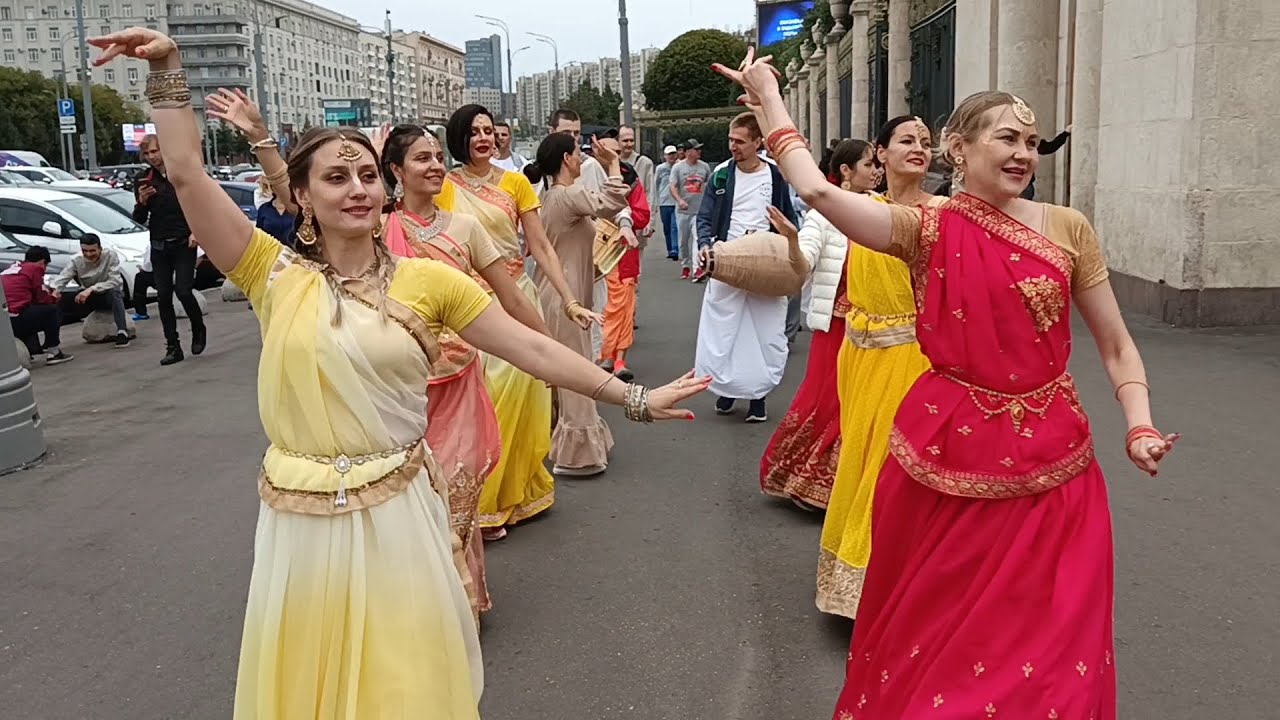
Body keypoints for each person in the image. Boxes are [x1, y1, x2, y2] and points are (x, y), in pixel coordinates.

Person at [88, 26, 708, 719]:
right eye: (334, 177)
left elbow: (531, 348)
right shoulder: (271, 272)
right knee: (311, 681)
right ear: (302, 194)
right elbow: (186, 174)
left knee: (401, 682)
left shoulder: (427, 282)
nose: (356, 188)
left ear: (383, 190)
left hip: (399, 512)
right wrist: (169, 73)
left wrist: (633, 396)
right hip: (301, 523)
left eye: (365, 176)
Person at [718, 49, 1177, 720]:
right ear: (959, 148)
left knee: (1058, 633)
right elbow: (818, 192)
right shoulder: (925, 227)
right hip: (950, 453)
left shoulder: (1067, 228)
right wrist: (767, 97)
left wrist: (1137, 422)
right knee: (945, 632)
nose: (1024, 153)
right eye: (1007, 138)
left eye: (1031, 141)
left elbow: (1115, 344)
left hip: (1059, 460)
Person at [381, 123, 551, 620]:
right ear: (395, 170)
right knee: (407, 497)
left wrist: (550, 349)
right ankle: (415, 605)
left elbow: (512, 296)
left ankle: (458, 602)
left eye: (437, 156)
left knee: (455, 493)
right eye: (420, 158)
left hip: (458, 378)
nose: (434, 165)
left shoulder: (464, 228)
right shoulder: (376, 229)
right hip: (400, 385)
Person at [438, 103, 600, 539]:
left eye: (489, 130)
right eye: (473, 132)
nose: (483, 138)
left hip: (517, 298)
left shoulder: (515, 184)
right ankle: (480, 502)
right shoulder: (445, 186)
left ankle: (515, 494)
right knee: (488, 400)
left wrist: (567, 300)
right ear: (459, 138)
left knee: (523, 394)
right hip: (468, 304)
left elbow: (542, 247)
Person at [809, 117, 943, 618]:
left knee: (896, 470)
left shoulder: (946, 214)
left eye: (926, 142)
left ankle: (891, 586)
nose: (919, 148)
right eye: (907, 140)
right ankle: (854, 578)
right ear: (880, 154)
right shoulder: (862, 212)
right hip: (860, 356)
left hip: (917, 359)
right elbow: (811, 192)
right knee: (861, 458)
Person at [760, 139, 877, 511]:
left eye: (877, 164)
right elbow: (804, 263)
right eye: (869, 164)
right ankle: (810, 480)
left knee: (866, 404)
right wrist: (792, 242)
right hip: (838, 326)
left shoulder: (881, 210)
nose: (876, 171)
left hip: (876, 328)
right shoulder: (823, 215)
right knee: (828, 402)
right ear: (846, 171)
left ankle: (855, 485)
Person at [528, 132, 630, 476]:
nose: (581, 159)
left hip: (564, 293)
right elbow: (612, 202)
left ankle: (565, 444)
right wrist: (613, 163)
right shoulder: (567, 195)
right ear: (566, 160)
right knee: (575, 374)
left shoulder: (554, 197)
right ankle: (578, 455)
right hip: (564, 298)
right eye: (577, 154)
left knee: (567, 372)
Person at [692, 113, 797, 423]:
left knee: (765, 330)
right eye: (730, 140)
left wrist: (791, 251)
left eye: (740, 141)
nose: (733, 146)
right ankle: (727, 388)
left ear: (757, 143)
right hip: (728, 261)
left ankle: (757, 397)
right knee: (727, 330)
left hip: (766, 261)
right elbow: (705, 217)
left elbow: (788, 217)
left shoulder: (776, 175)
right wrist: (706, 246)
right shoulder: (721, 175)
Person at [132, 132, 206, 365]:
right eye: (147, 153)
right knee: (163, 296)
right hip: (159, 244)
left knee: (183, 291)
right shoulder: (144, 179)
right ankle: (173, 346)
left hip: (184, 241)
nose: (152, 157)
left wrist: (196, 231)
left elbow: (197, 204)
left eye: (155, 151)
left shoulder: (179, 175)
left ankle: (198, 327)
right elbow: (140, 218)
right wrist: (141, 203)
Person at [598, 139, 651, 382]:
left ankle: (619, 360)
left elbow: (641, 215)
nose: (615, 157)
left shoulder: (630, 178)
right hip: (594, 256)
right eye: (610, 152)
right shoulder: (585, 173)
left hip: (623, 254)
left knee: (624, 310)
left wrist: (623, 221)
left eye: (618, 153)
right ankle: (602, 356)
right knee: (601, 309)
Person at [51, 234, 131, 348]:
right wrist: (55, 290)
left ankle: (122, 331)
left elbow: (115, 281)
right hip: (89, 296)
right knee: (58, 302)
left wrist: (92, 288)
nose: (89, 254)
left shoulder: (111, 256)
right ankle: (53, 345)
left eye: (92, 251)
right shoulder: (76, 260)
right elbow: (63, 277)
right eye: (85, 251)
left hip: (108, 294)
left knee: (114, 292)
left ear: (100, 248)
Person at [1, 245, 74, 365]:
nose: (44, 270)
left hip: (5, 318)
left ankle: (31, 349)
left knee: (30, 310)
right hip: (16, 317)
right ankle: (54, 351)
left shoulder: (10, 269)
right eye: (46, 265)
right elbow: (42, 298)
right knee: (52, 310)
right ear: (42, 262)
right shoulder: (34, 269)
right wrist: (54, 297)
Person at [669, 139, 711, 280]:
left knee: (698, 239)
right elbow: (673, 186)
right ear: (687, 152)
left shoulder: (704, 167)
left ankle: (697, 269)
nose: (699, 151)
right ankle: (685, 265)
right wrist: (679, 200)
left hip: (699, 211)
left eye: (699, 149)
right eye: (696, 149)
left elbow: (709, 186)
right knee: (683, 241)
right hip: (683, 211)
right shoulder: (678, 168)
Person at [654, 145, 680, 260]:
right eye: (669, 154)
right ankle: (670, 248)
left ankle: (675, 249)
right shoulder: (660, 168)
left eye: (673, 154)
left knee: (675, 226)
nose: (672, 157)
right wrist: (655, 201)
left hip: (676, 201)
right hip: (664, 201)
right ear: (665, 156)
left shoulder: (680, 167)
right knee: (667, 227)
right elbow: (656, 184)